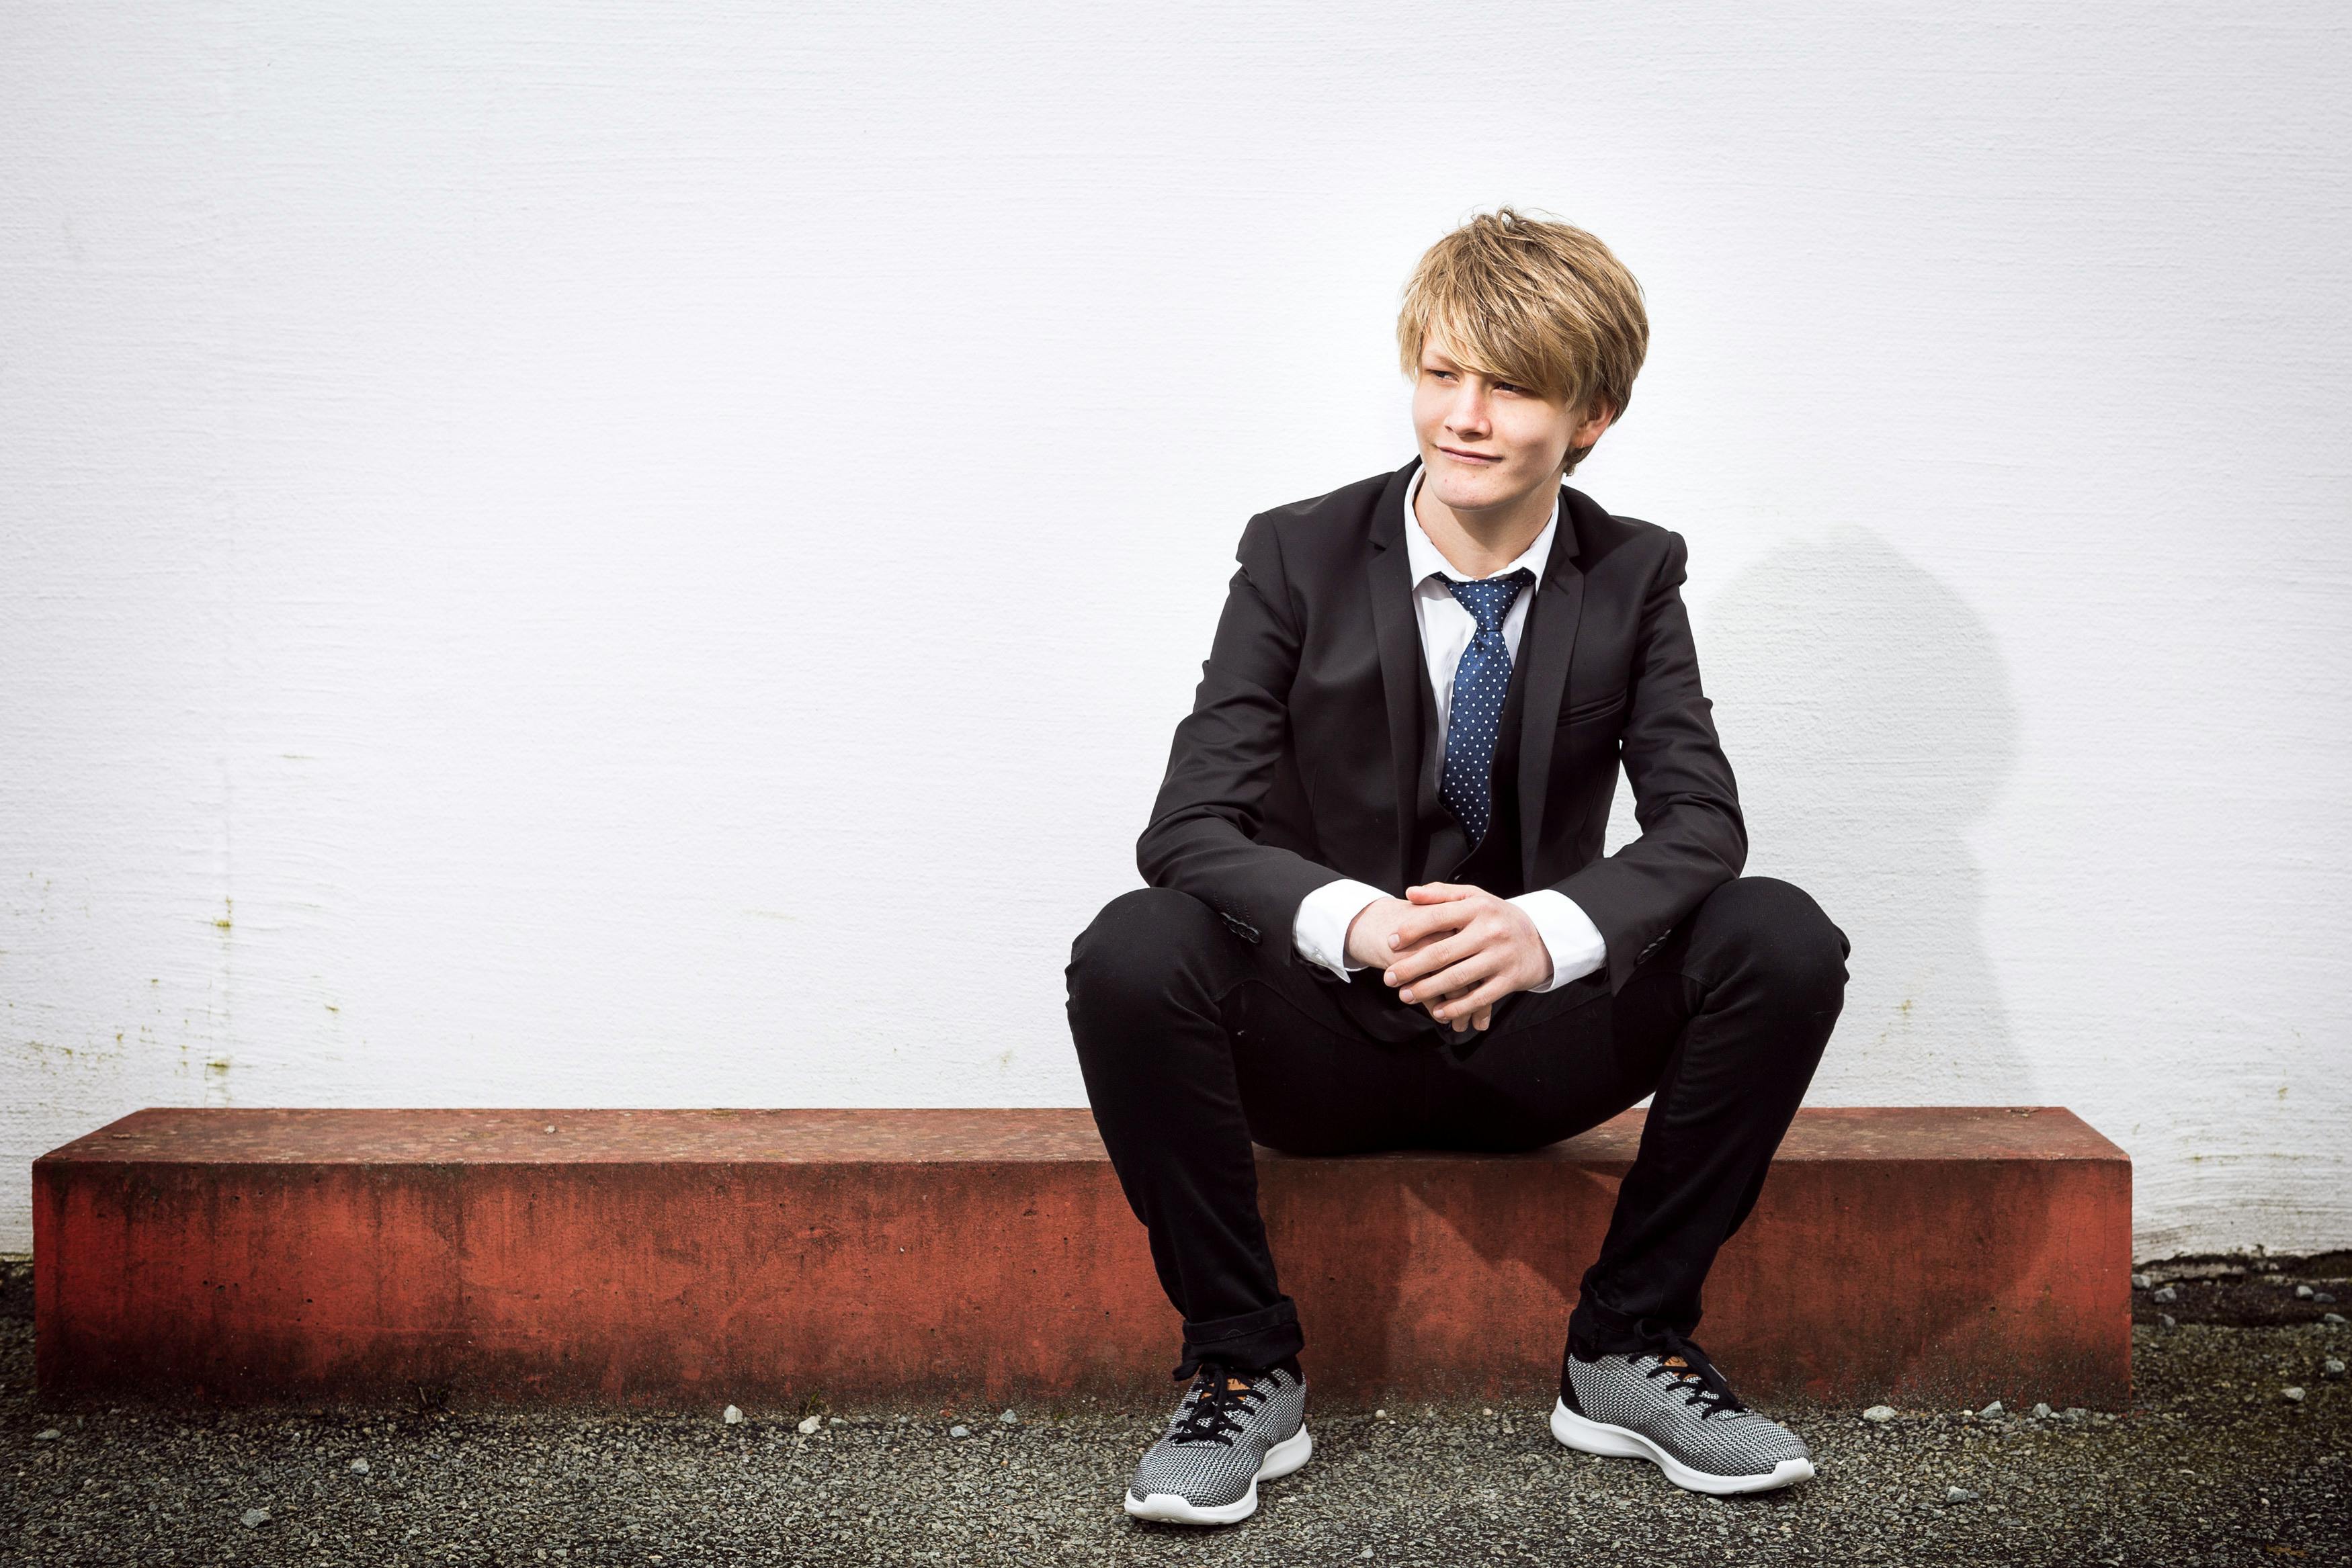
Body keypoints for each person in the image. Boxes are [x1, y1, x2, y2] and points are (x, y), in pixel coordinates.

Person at [1065, 208, 1851, 1526]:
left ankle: (1625, 1348)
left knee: (1779, 935)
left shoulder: (1634, 570)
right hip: (1320, 1044)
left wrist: (1543, 932)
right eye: (1441, 373)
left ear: (1590, 415)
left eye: (1512, 385)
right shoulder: (1295, 551)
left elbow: (1698, 822)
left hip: (1531, 1047)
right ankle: (1240, 1366)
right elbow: (1191, 823)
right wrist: (1363, 924)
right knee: (1134, 945)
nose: (1466, 415)